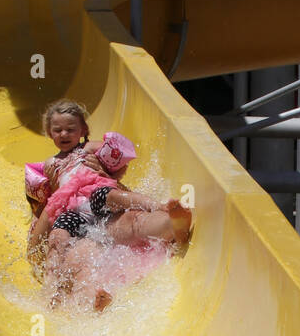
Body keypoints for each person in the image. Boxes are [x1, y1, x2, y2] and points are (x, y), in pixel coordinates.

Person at [28, 100, 192, 309]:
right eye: (57, 130)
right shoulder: (50, 163)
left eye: (70, 129)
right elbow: (46, 199)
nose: (63, 134)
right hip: (72, 208)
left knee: (113, 197)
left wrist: (107, 169)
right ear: (49, 133)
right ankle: (52, 291)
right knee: (58, 238)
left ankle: (164, 214)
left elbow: (120, 157)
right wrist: (52, 183)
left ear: (83, 130)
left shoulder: (90, 148)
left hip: (94, 192)